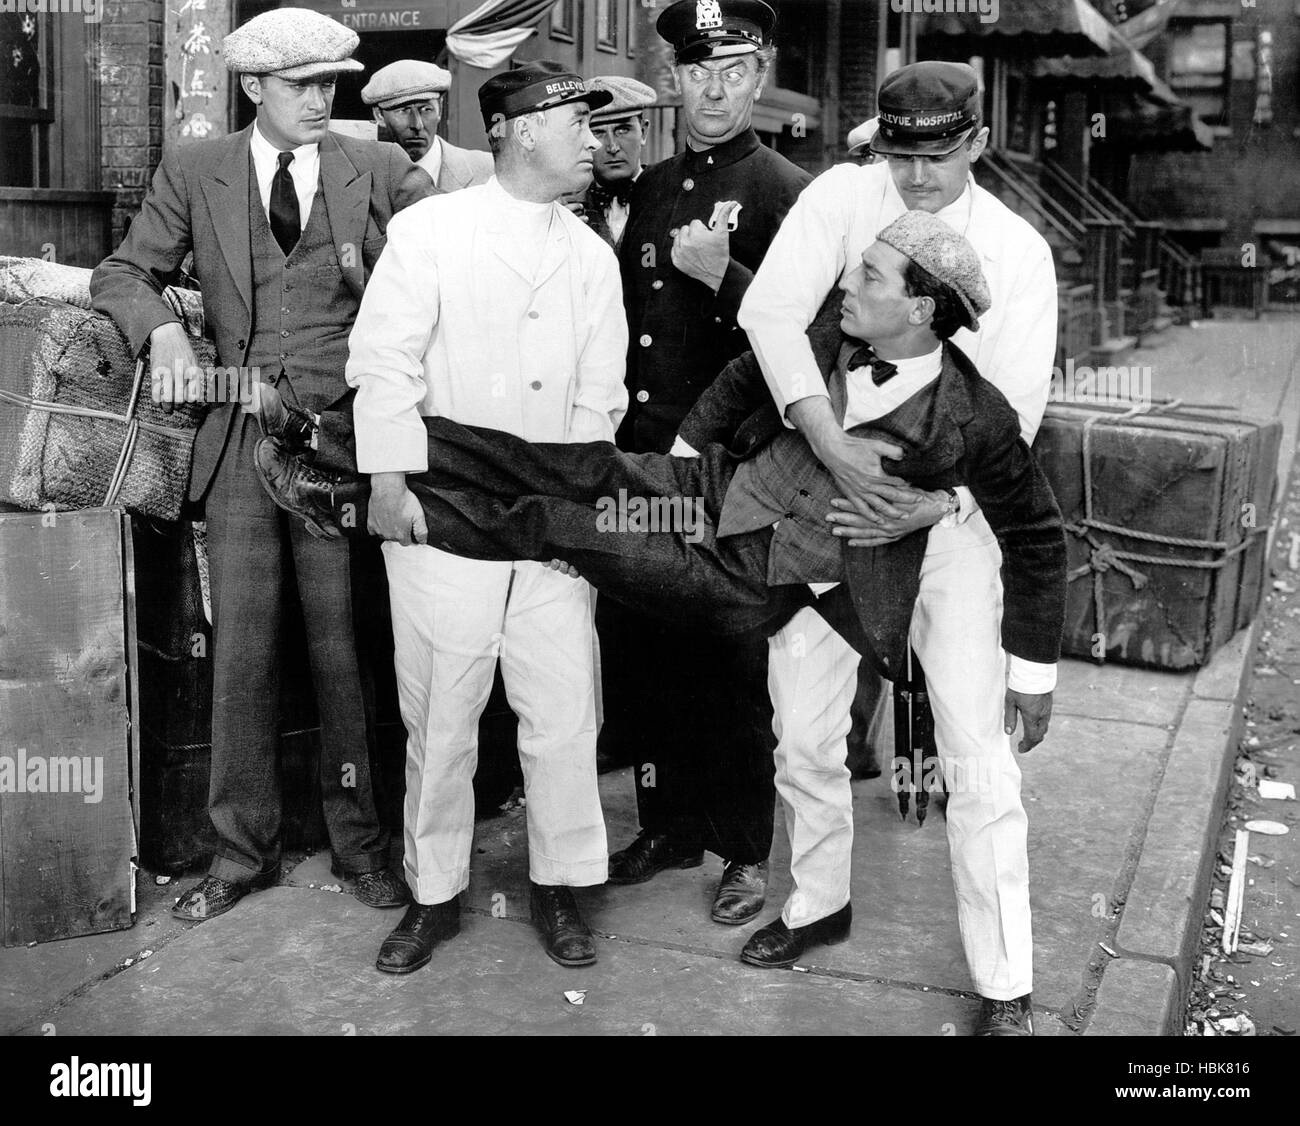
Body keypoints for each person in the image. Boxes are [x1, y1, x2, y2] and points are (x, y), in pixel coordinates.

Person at [249, 217, 1065, 1043]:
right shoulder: (833, 330)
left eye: (874, 276)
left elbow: (1034, 534)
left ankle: (1007, 990)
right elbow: (752, 368)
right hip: (713, 498)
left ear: (922, 310)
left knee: (556, 527)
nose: (849, 281)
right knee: (559, 469)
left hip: (764, 579)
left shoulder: (976, 417)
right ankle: (328, 436)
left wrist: (1033, 674)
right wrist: (679, 454)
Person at [735, 60, 1059, 1035]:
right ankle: (816, 901)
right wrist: (826, 440)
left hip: (950, 528)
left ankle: (1004, 980)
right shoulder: (842, 194)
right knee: (802, 730)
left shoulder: (1017, 250)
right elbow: (767, 313)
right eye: (900, 155)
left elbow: (1015, 421)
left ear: (978, 141)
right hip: (835, 499)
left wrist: (931, 506)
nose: (915, 178)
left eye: (938, 156)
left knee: (973, 755)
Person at [90, 7, 434, 922]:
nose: (323, 100)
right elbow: (122, 272)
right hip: (241, 439)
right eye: (301, 86)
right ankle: (240, 853)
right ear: (251, 88)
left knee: (345, 652)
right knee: (240, 653)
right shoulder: (196, 170)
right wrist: (162, 328)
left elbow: (448, 271)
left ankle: (364, 844)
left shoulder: (385, 170)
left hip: (345, 441)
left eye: (332, 83)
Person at [339, 62, 627, 975]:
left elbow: (600, 400)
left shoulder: (591, 254)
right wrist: (387, 483)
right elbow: (382, 361)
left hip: (551, 527)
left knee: (562, 711)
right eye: (576, 121)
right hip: (443, 515)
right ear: (518, 130)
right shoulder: (430, 232)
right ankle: (433, 896)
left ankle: (562, 888)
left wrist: (583, 525)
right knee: (442, 714)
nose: (594, 139)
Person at [601, 0, 812, 928]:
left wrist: (722, 276)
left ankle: (744, 848)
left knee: (730, 657)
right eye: (697, 70)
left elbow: (810, 339)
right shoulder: (647, 187)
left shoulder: (784, 190)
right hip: (647, 461)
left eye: (734, 70)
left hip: (732, 466)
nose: (715, 88)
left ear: (758, 80)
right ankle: (669, 824)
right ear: (673, 81)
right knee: (647, 650)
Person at [361, 59, 493, 192]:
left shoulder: (488, 170)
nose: (417, 125)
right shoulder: (364, 179)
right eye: (403, 111)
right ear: (379, 116)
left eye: (426, 109)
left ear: (440, 109)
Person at [574, 76, 656, 249]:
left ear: (643, 132)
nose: (612, 147)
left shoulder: (670, 198)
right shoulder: (566, 210)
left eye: (623, 130)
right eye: (598, 132)